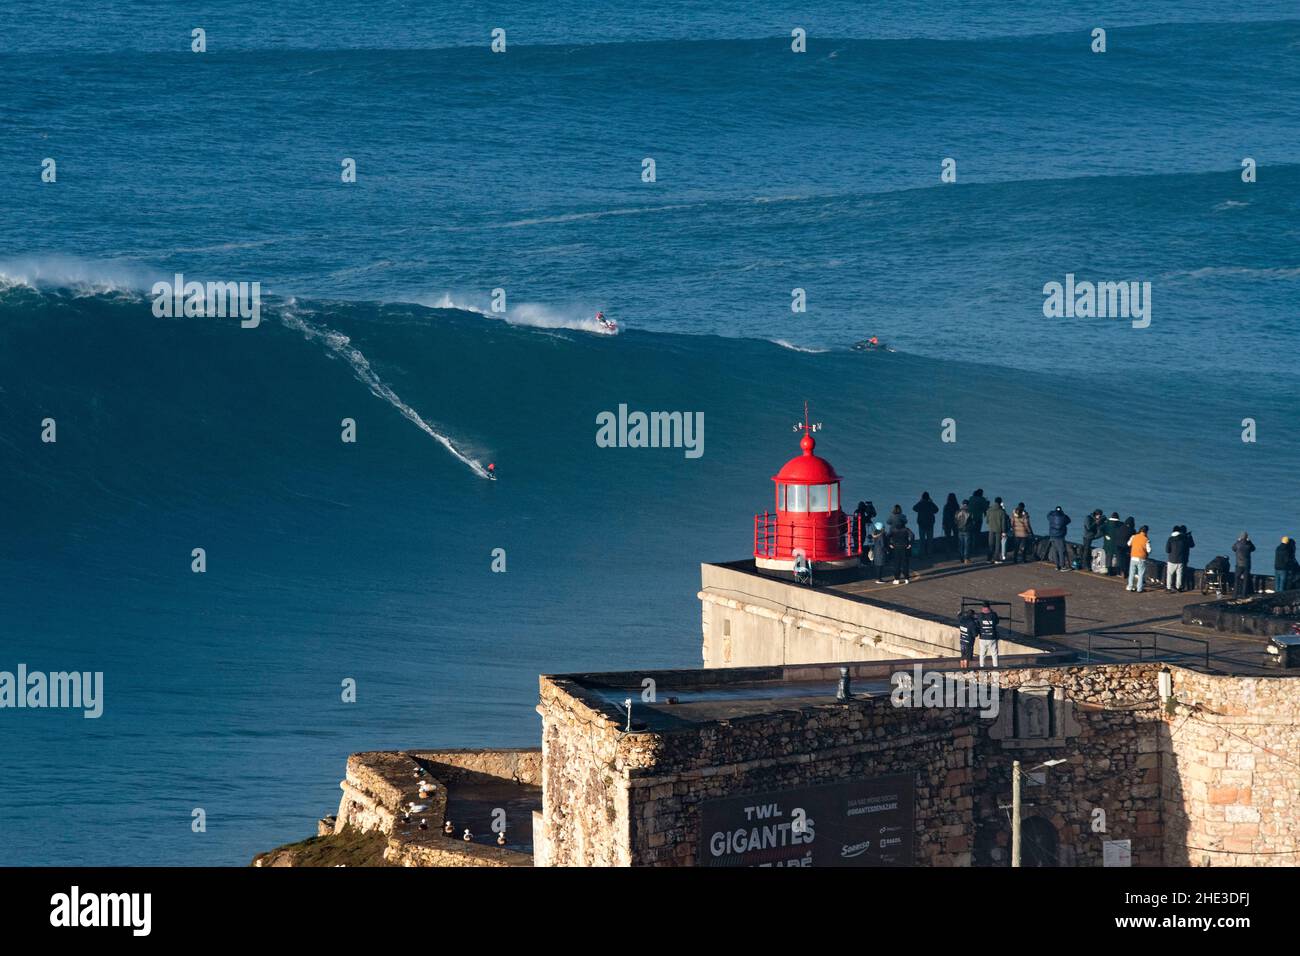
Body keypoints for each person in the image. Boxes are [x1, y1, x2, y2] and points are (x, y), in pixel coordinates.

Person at [1126, 525, 1151, 592]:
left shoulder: (1134, 536)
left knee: (1131, 573)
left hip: (1133, 557)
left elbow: (1128, 544)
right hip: (1141, 558)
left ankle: (1130, 586)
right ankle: (1139, 588)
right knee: (1141, 574)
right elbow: (1149, 550)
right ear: (1146, 532)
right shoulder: (1146, 539)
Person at [1165, 525, 1190, 592]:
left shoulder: (1170, 539)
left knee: (1170, 574)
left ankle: (1169, 587)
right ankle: (1178, 587)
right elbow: (1188, 547)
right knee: (1179, 574)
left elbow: (1167, 550)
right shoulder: (1183, 539)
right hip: (1180, 560)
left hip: (1171, 560)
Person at [1047, 506, 1071, 571]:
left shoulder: (1051, 517)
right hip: (1060, 536)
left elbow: (1048, 515)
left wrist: (1052, 512)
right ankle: (1062, 566)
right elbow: (1069, 520)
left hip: (1052, 536)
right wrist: (1063, 514)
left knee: (1055, 551)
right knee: (1061, 551)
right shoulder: (1063, 517)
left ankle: (1057, 566)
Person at [976, 602, 1000, 668]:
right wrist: (991, 611)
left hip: (983, 637)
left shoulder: (980, 615)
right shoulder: (993, 615)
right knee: (994, 653)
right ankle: (995, 666)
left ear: (982, 608)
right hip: (992, 637)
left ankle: (982, 666)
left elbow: (977, 624)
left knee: (982, 653)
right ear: (989, 607)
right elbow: (997, 622)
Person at [985, 497, 1009, 563]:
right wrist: (1004, 531)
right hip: (999, 530)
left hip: (991, 529)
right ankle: (996, 559)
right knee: (997, 545)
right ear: (1000, 503)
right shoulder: (1002, 512)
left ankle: (989, 559)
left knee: (990, 544)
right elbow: (1003, 523)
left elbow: (987, 521)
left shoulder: (989, 510)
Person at [1233, 532, 1256, 598]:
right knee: (1245, 580)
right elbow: (1254, 549)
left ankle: (1235, 595)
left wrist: (1238, 540)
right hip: (1247, 565)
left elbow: (1233, 548)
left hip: (1238, 565)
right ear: (1246, 537)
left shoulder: (1237, 544)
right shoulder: (1248, 545)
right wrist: (1250, 541)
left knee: (1236, 580)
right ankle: (1244, 595)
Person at [954, 499, 974, 564]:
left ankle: (961, 558)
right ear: (968, 505)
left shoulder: (957, 511)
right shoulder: (969, 512)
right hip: (967, 530)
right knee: (967, 545)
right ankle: (966, 558)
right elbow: (972, 521)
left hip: (959, 530)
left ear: (962, 504)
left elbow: (955, 521)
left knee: (960, 545)